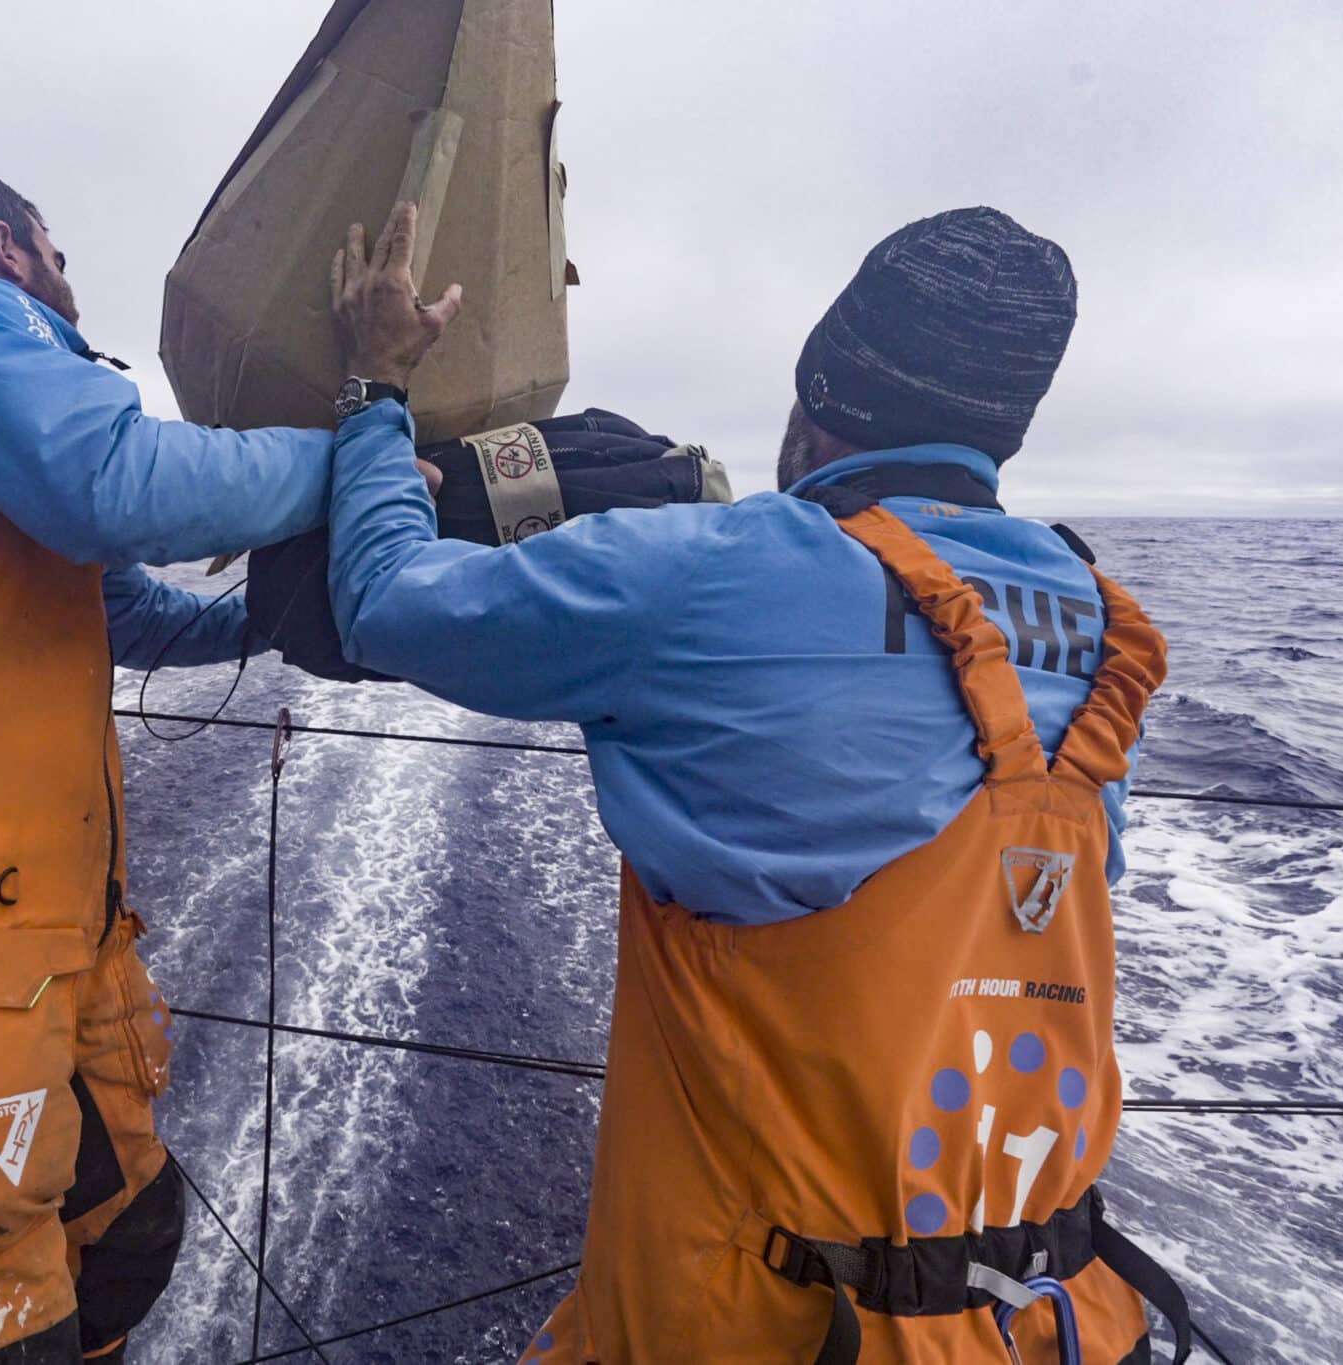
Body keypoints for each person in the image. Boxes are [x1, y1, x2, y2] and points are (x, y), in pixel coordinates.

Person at [327, 204, 1187, 1363]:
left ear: (818, 384)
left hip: (763, 1330)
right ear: (1006, 430)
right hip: (1041, 1323)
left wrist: (372, 391)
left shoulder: (707, 571)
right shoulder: (1102, 623)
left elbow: (384, 601)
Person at [0, 165, 434, 1365]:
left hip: (40, 933)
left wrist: (275, 614)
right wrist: (362, 441)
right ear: (10, 248)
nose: (66, 274)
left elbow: (137, 618)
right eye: (54, 250)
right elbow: (115, 486)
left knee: (124, 1232)